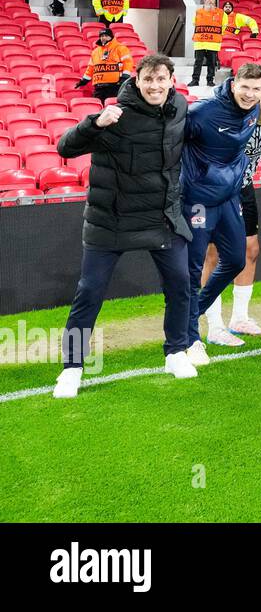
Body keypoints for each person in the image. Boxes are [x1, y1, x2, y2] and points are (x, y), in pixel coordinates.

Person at [53, 55, 195, 398]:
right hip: (111, 220)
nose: (155, 86)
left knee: (181, 284)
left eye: (161, 79)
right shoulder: (115, 113)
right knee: (89, 292)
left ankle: (176, 351)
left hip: (161, 217)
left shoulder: (179, 106)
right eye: (149, 79)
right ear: (137, 80)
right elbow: (64, 147)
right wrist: (95, 123)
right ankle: (71, 368)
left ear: (172, 80)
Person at [183, 64, 261, 362]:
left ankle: (192, 314)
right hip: (198, 202)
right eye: (245, 87)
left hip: (229, 198)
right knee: (194, 269)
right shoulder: (203, 112)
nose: (250, 94)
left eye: (256, 89)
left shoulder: (254, 111)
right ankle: (190, 338)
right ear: (233, 84)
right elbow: (173, 140)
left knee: (235, 259)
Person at [197, 72, 261, 338]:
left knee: (251, 249)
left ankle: (239, 318)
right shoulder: (235, 114)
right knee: (213, 255)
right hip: (217, 190)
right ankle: (213, 325)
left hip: (244, 187)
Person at [75, 27, 134, 104]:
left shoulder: (120, 48)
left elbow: (128, 62)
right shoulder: (95, 52)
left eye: (106, 35)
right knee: (98, 109)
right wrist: (84, 80)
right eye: (102, 36)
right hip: (99, 87)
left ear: (111, 37)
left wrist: (125, 77)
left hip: (115, 85)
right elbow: (91, 68)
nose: (103, 38)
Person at [189, 0, 224, 87]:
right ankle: (195, 80)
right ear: (204, 1)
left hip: (213, 43)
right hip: (200, 42)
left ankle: (210, 80)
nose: (210, 1)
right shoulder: (198, 12)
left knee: (212, 63)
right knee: (197, 62)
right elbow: (194, 23)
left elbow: (224, 26)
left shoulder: (220, 12)